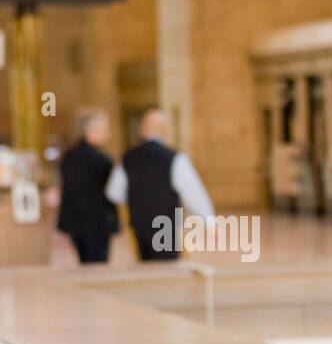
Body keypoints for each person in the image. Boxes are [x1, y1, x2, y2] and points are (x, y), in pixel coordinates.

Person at [105, 108, 214, 261]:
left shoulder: (128, 157)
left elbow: (114, 193)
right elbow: (193, 192)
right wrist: (208, 219)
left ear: (142, 129)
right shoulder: (174, 158)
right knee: (168, 270)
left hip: (139, 223)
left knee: (146, 266)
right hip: (166, 224)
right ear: (165, 129)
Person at [57, 108, 119, 264]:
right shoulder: (101, 159)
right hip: (98, 222)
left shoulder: (69, 156)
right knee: (97, 264)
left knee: (84, 261)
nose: (108, 134)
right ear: (92, 131)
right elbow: (113, 192)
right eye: (105, 129)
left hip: (75, 221)